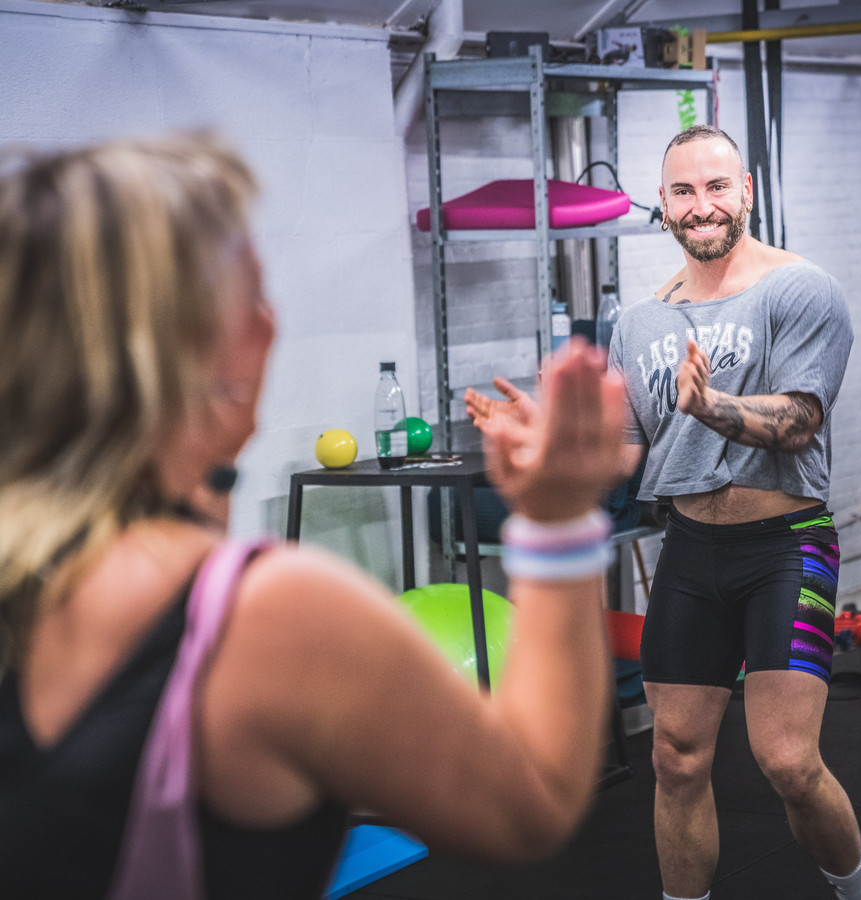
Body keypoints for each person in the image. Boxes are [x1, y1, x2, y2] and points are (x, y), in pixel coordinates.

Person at [0, 132, 629, 898]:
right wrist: (557, 521)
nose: (270, 325)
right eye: (254, 302)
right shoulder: (264, 615)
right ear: (218, 353)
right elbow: (531, 802)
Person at [617, 124, 861, 900]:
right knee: (675, 758)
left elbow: (798, 421)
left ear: (747, 192)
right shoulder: (638, 323)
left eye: (717, 187)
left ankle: (856, 892)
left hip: (786, 547)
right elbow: (626, 457)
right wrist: (552, 445)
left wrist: (712, 405)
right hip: (690, 551)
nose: (702, 206)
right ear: (662, 205)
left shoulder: (800, 289)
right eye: (684, 192)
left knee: (789, 762)